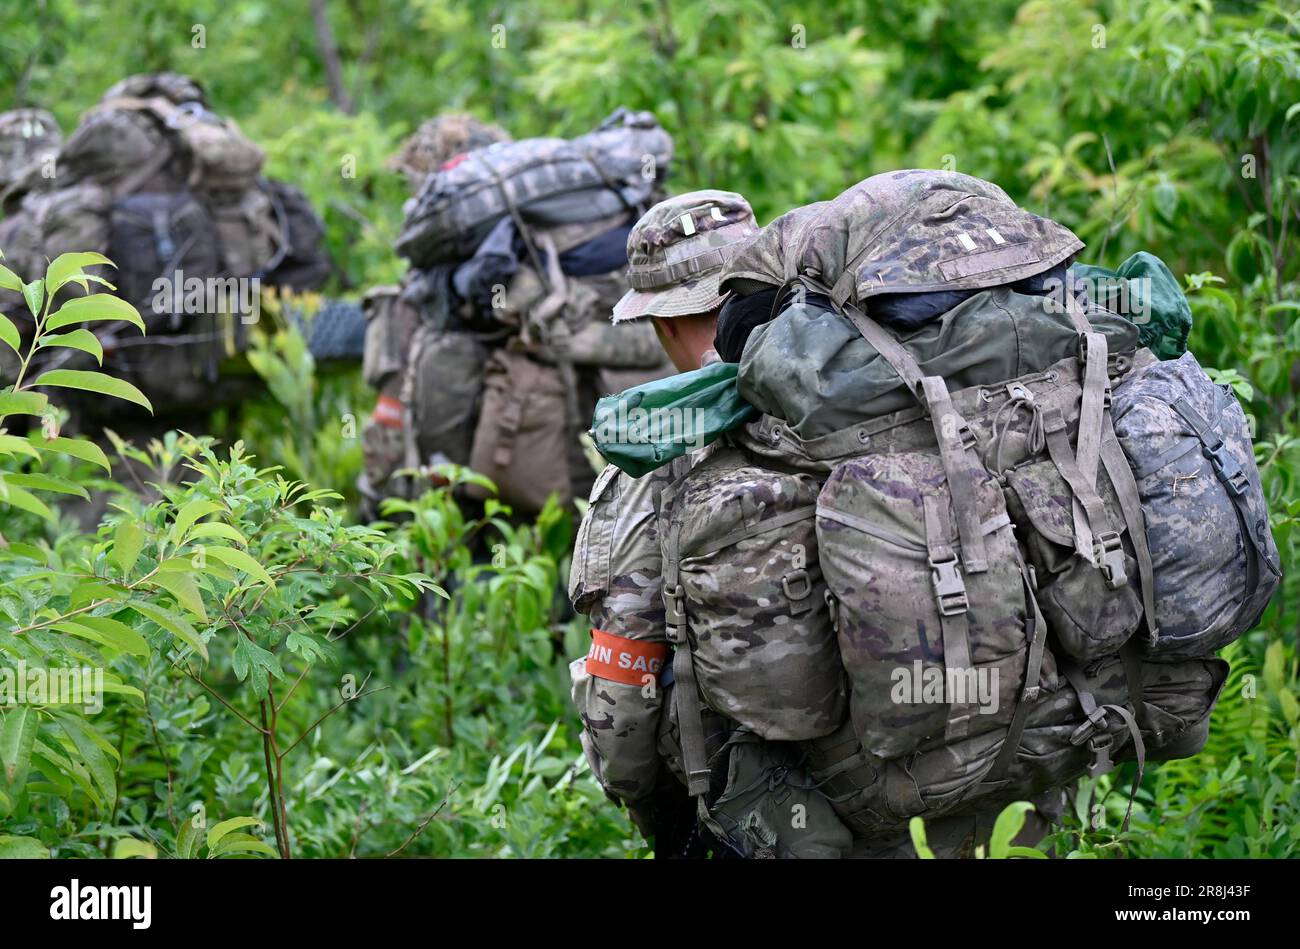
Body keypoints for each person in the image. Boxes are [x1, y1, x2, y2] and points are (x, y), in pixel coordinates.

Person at [566, 189, 760, 855]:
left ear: (664, 323)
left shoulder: (657, 460)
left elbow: (623, 702)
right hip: (965, 787)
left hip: (756, 813)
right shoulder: (873, 383)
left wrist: (658, 819)